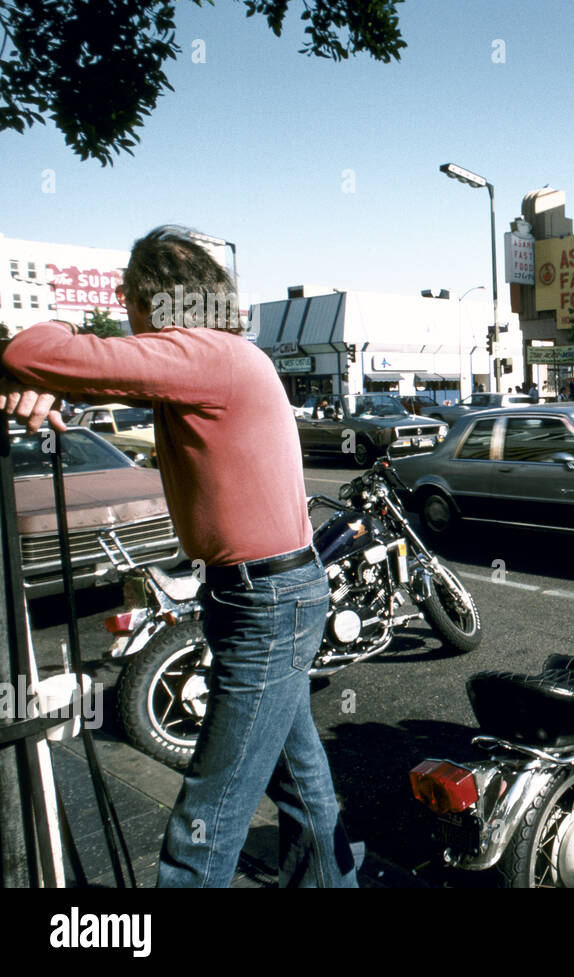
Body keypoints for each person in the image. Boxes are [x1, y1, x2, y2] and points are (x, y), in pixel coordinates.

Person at [1, 226, 358, 888]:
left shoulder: (203, 356)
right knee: (303, 791)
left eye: (130, 296)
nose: (126, 309)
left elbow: (31, 347)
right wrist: (47, 379)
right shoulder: (215, 357)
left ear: (155, 298)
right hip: (265, 594)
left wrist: (37, 368)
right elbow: (64, 367)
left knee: (206, 821)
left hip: (265, 602)